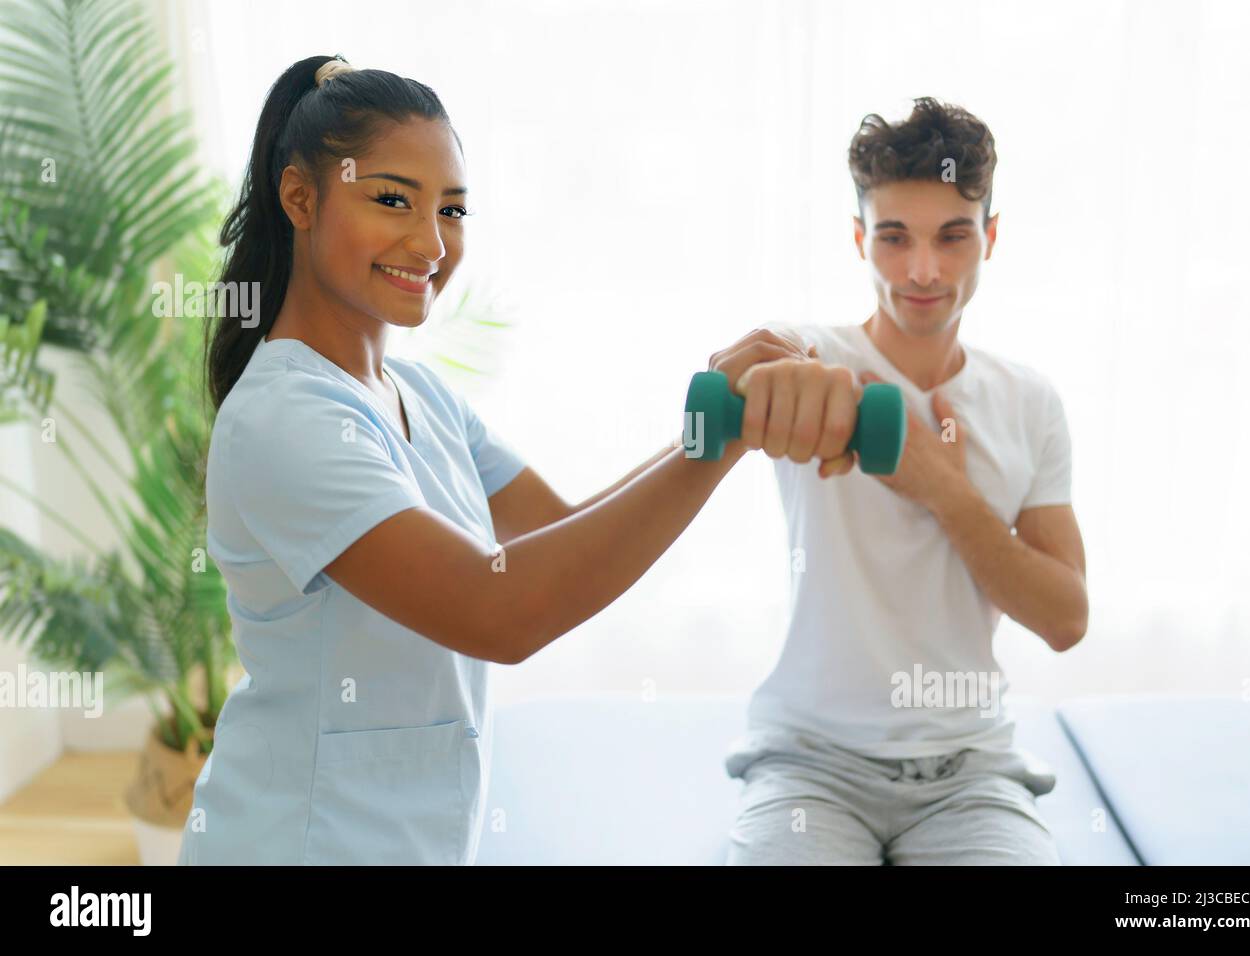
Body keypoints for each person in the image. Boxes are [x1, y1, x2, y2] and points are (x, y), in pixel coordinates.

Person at [180, 55, 863, 865]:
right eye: (392, 199)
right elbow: (498, 611)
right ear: (301, 197)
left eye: (454, 210)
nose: (431, 242)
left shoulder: (422, 395)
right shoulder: (285, 418)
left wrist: (713, 421)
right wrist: (724, 440)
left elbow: (562, 534)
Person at [723, 97, 1089, 865]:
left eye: (952, 237)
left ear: (989, 238)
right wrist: (762, 374)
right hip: (809, 766)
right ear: (861, 240)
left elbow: (1065, 619)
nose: (923, 270)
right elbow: (756, 362)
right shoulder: (814, 359)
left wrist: (947, 492)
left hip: (971, 775)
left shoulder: (1030, 400)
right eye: (894, 238)